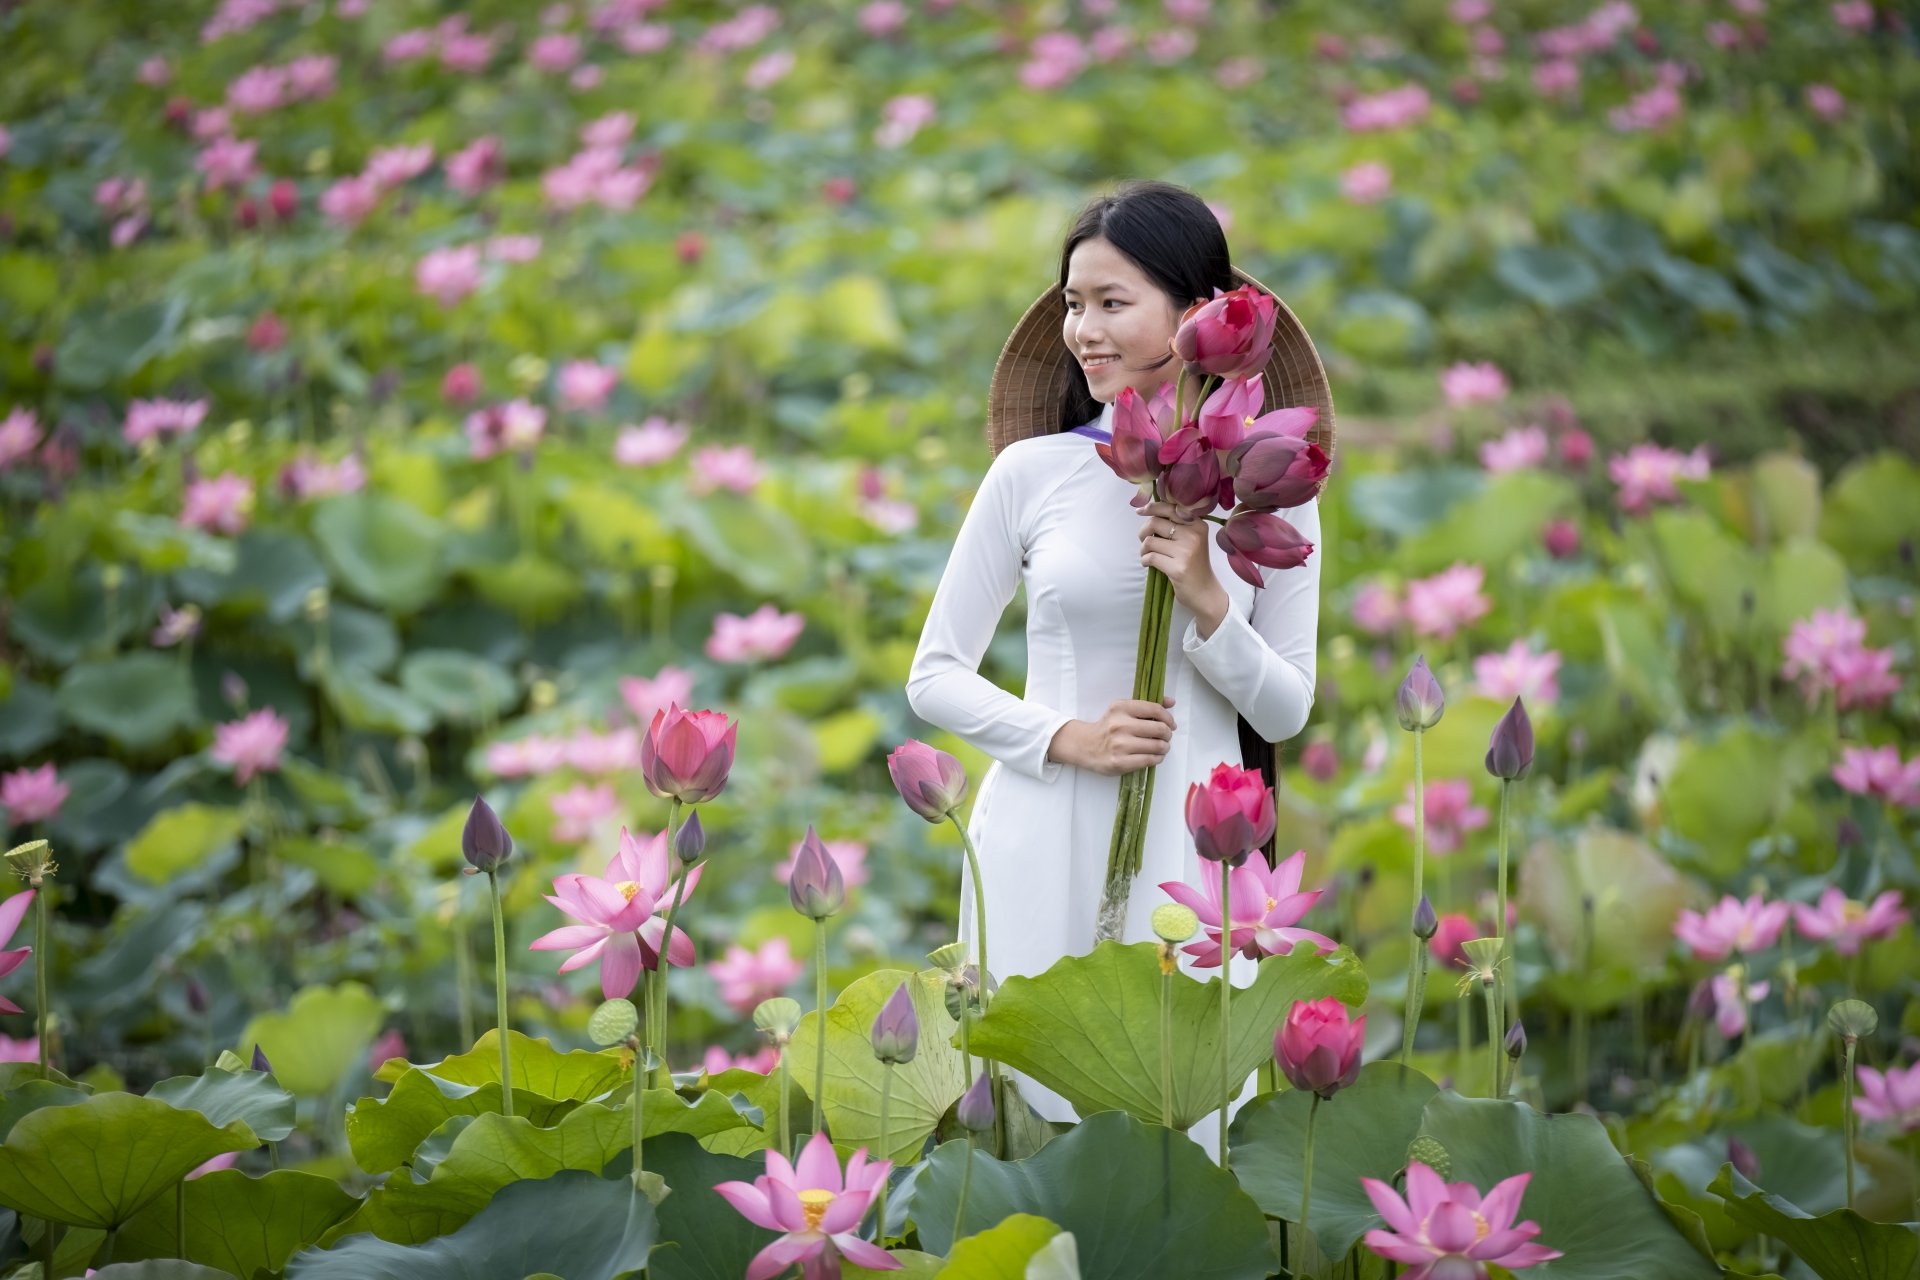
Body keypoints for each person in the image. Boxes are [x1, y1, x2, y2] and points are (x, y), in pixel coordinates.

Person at [905, 180, 1335, 1156]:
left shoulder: (1272, 487)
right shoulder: (1032, 472)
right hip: (1038, 824)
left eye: (1110, 302)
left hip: (1199, 848)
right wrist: (1064, 735)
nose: (1083, 329)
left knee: (1187, 1135)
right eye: (1072, 303)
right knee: (1030, 1131)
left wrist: (1208, 597)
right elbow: (933, 673)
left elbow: (1289, 704)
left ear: (1196, 318)